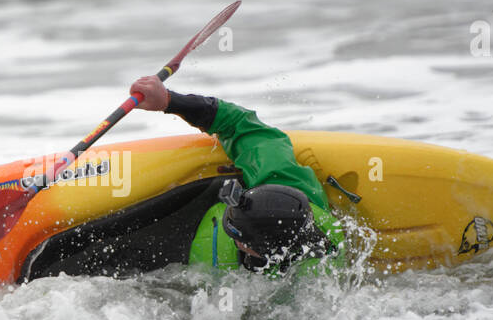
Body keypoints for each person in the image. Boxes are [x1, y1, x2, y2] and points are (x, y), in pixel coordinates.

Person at [129, 75, 346, 275]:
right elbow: (237, 124)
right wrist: (169, 100)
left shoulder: (314, 275)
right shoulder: (286, 178)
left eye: (238, 236)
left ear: (259, 248)